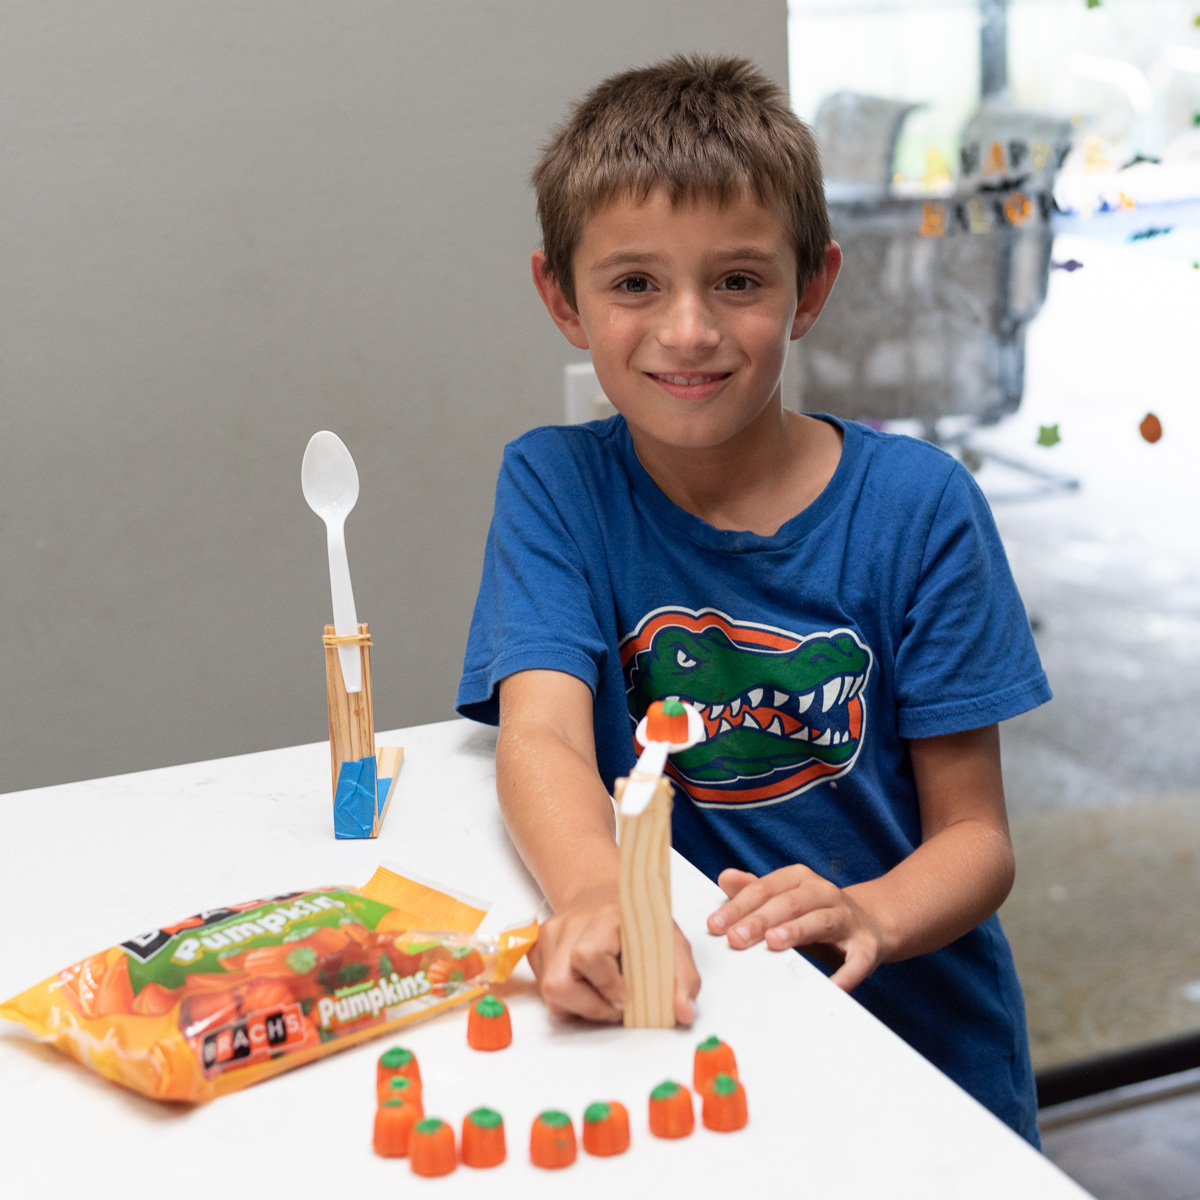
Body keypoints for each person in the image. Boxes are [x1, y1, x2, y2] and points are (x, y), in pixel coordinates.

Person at [456, 54, 1050, 1146]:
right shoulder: (555, 487)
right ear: (562, 297)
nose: (689, 331)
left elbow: (978, 839)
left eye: (738, 280)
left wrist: (869, 910)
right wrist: (594, 896)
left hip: (923, 1060)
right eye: (635, 283)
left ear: (811, 288)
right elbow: (537, 734)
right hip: (698, 1044)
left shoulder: (923, 509)